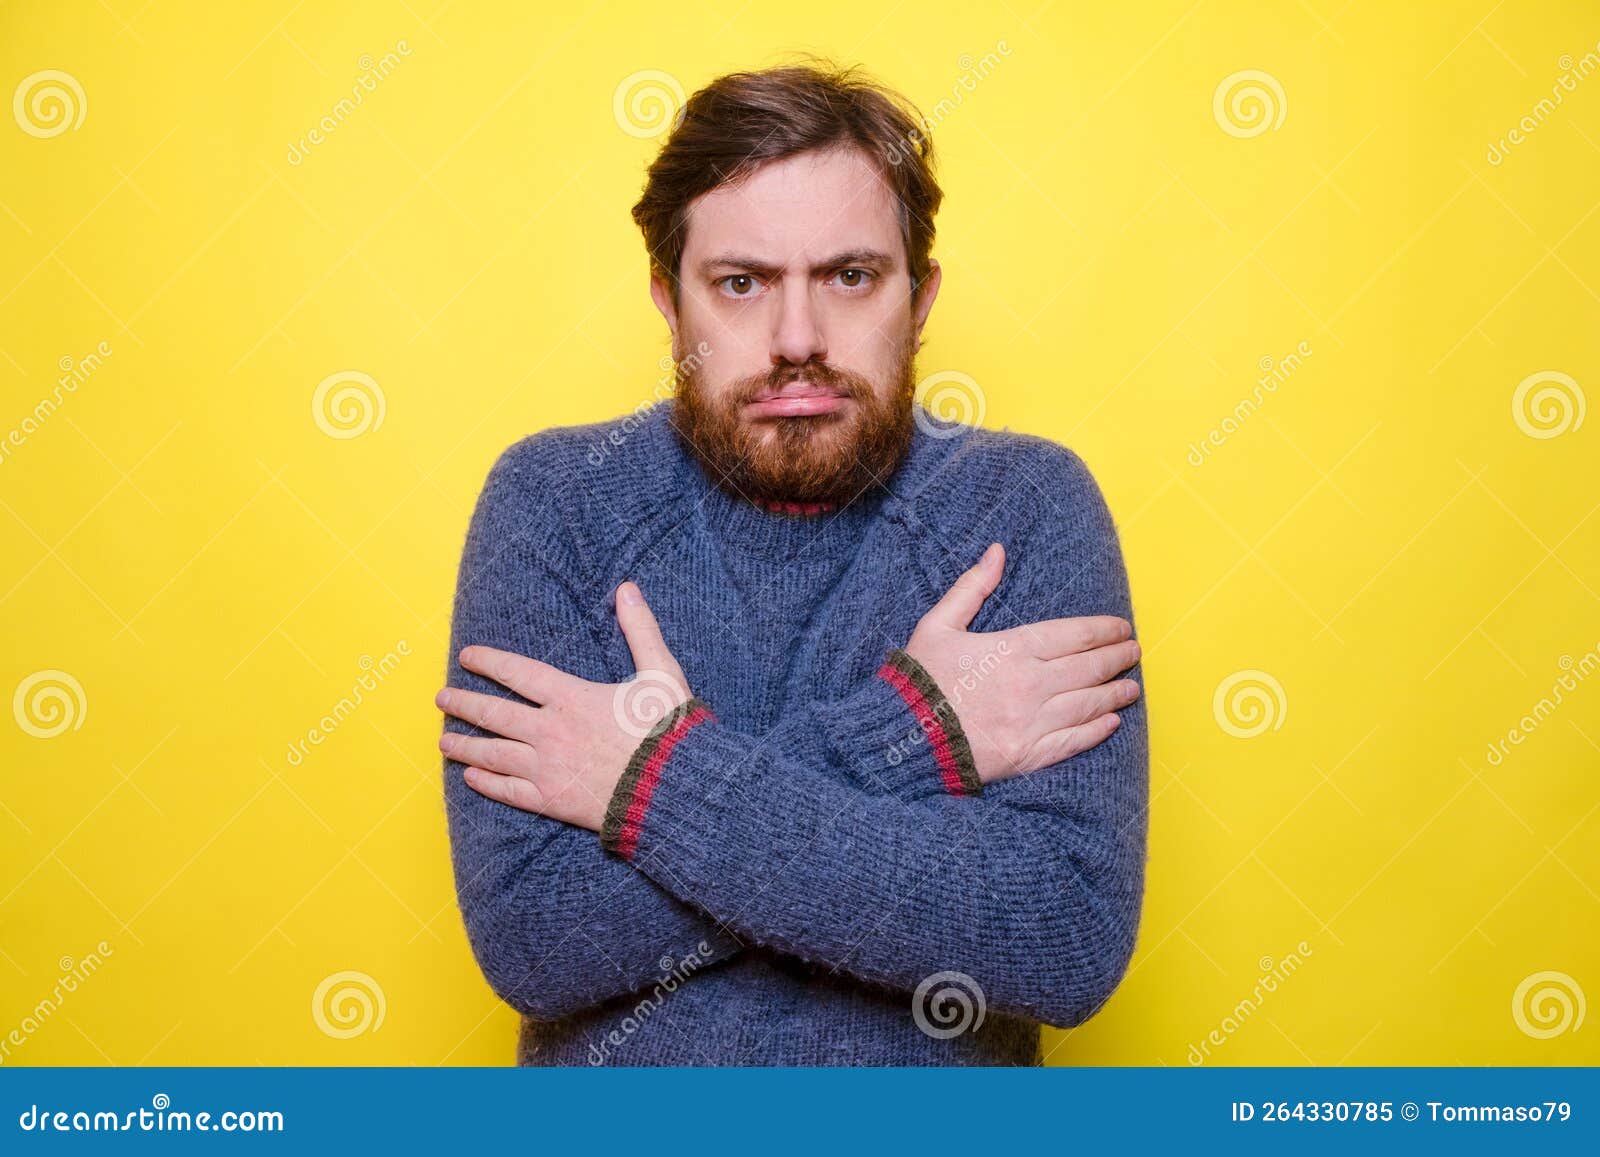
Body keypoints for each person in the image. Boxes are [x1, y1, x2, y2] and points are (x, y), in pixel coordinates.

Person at [435, 59, 1148, 1066]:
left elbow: (1062, 938)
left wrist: (648, 784)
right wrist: (913, 733)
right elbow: (540, 937)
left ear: (921, 295)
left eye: (849, 276)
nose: (797, 338)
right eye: (740, 283)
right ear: (669, 304)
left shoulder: (1024, 508)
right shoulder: (558, 503)